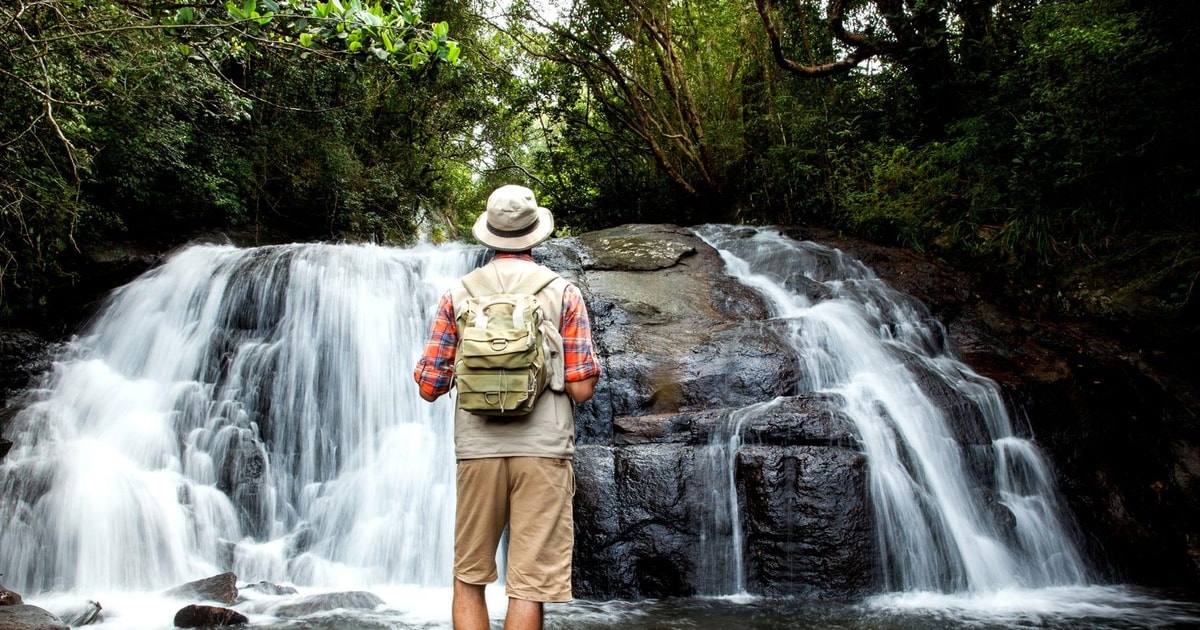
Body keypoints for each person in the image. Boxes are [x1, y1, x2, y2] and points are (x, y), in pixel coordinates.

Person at [414, 184, 601, 630]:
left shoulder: (457, 294)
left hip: (477, 449)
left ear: (489, 235)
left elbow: (429, 386)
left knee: (468, 576)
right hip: (544, 449)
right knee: (529, 583)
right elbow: (581, 389)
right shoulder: (563, 293)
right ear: (535, 236)